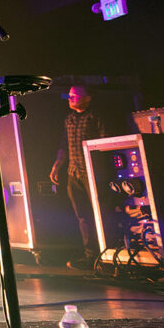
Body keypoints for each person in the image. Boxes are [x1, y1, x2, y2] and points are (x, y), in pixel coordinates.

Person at [50, 84, 107, 270]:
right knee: (82, 215)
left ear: (88, 98)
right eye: (69, 96)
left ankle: (107, 254)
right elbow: (64, 144)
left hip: (92, 172)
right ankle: (90, 256)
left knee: (100, 213)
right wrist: (57, 166)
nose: (70, 99)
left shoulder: (96, 116)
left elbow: (106, 142)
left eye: (74, 96)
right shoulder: (69, 119)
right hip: (73, 173)